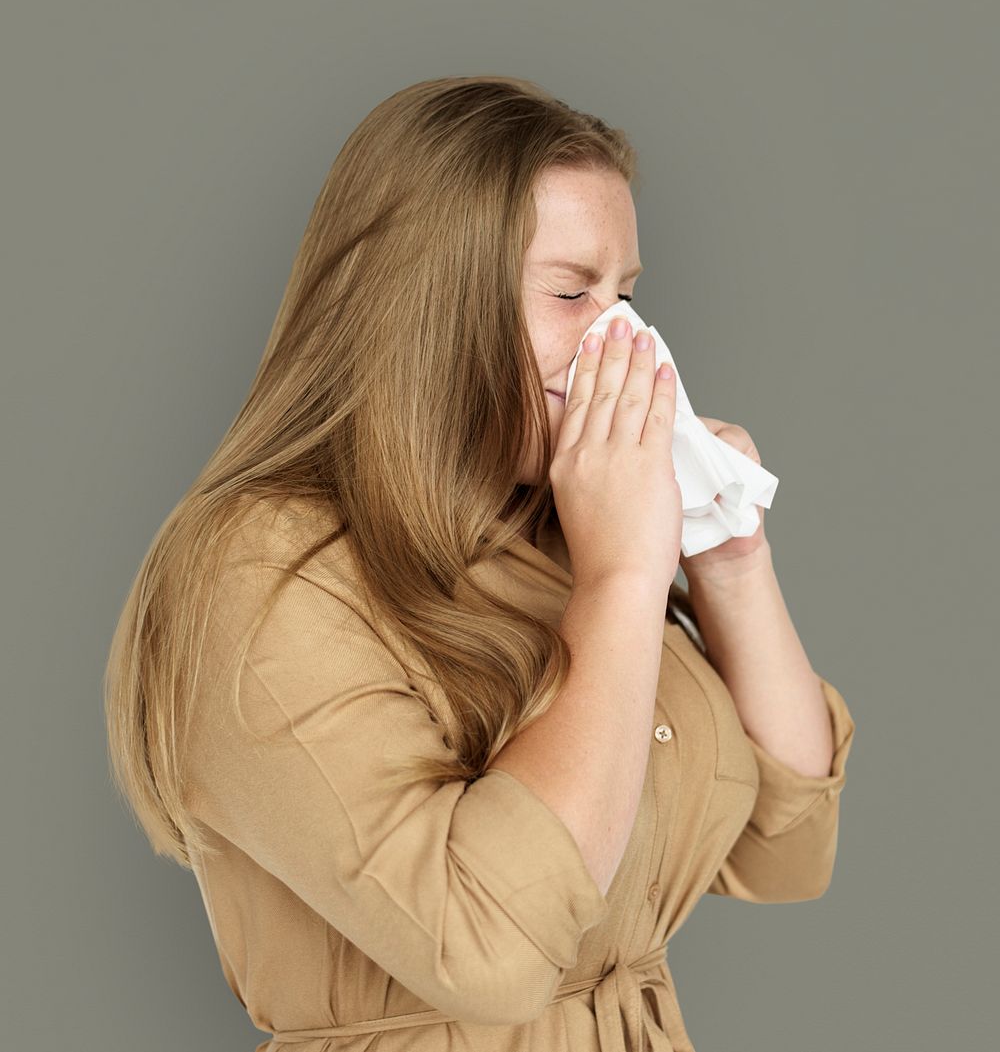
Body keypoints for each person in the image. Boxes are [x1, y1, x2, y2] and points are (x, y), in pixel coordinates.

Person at [104, 76, 856, 1052]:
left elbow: (785, 849)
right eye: (570, 291)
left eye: (626, 296)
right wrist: (624, 579)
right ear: (428, 301)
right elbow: (490, 952)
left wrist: (729, 557)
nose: (624, 342)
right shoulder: (257, 573)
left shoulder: (550, 532)